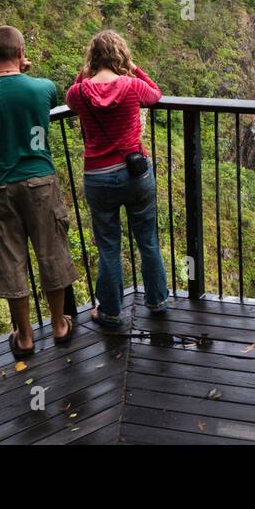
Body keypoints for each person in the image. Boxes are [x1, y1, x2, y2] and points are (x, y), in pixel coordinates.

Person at [0, 26, 77, 358]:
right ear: (21, 52)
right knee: (50, 251)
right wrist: (23, 71)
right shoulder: (42, 88)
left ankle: (24, 337)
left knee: (10, 259)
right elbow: (46, 99)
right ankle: (58, 325)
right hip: (39, 181)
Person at [65, 30, 168, 328]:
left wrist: (84, 74)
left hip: (98, 177)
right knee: (147, 239)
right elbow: (155, 93)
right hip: (134, 173)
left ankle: (110, 312)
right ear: (120, 55)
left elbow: (71, 98)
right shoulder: (132, 85)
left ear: (92, 59)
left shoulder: (80, 92)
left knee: (109, 246)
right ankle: (157, 300)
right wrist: (134, 68)